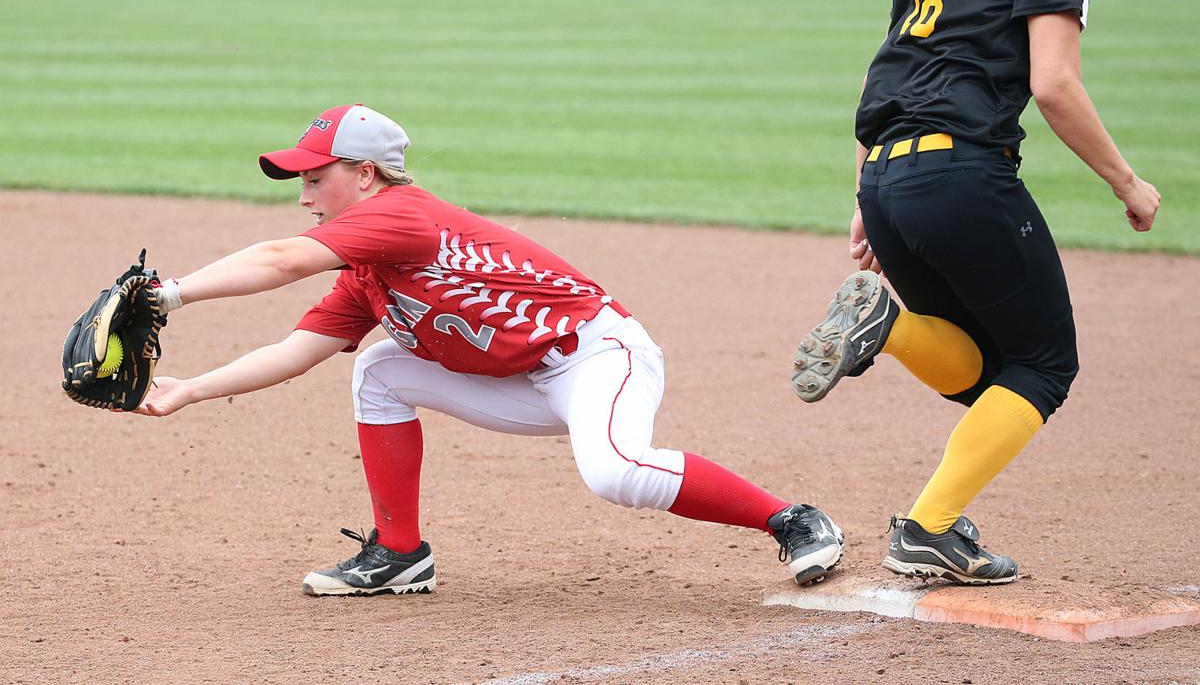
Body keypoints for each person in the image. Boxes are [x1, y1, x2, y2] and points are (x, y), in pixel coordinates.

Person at [132, 103, 844, 595]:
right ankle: (400, 553)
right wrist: (188, 386)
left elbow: (284, 258)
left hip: (597, 354)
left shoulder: (403, 215)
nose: (304, 193)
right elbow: (295, 350)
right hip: (522, 380)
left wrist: (173, 292)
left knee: (614, 470)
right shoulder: (368, 275)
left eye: (317, 176)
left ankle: (792, 518)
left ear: (367, 176)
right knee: (379, 368)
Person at [789, 0, 1159, 585]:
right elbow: (1053, 85)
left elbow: (884, 76)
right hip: (961, 173)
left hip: (891, 175)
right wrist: (1128, 182)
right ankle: (925, 528)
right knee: (1045, 366)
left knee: (990, 374)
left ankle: (888, 327)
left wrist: (866, 197)